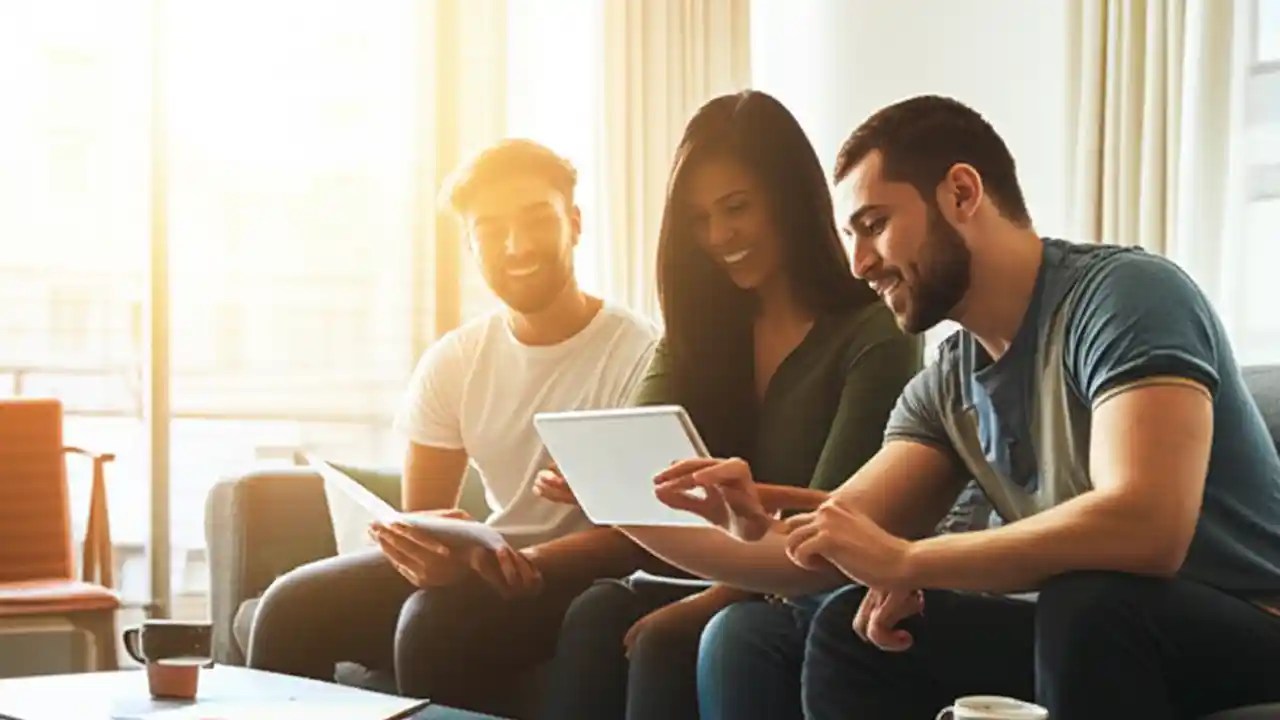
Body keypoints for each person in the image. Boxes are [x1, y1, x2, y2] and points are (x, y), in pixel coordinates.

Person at [637, 95, 1280, 720]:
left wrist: (913, 562)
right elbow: (823, 545)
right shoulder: (946, 384)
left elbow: (1145, 525)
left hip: (1248, 621)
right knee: (848, 631)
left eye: (875, 226)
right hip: (1093, 624)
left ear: (962, 194)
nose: (860, 264)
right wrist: (747, 528)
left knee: (1088, 603)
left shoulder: (1124, 296)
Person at [536, 90, 927, 720]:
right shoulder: (699, 331)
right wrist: (596, 478)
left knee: (675, 638)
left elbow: (829, 529)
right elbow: (636, 456)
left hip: (805, 583)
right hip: (703, 566)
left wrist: (704, 601)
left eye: (737, 208)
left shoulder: (873, 333)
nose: (719, 236)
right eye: (699, 220)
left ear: (790, 198)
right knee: (595, 612)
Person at [246, 139, 660, 717]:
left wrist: (531, 564)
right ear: (471, 245)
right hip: (491, 564)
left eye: (536, 221)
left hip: (586, 577)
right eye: (490, 231)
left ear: (574, 223)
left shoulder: (639, 354)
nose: (515, 247)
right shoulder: (456, 359)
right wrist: (431, 556)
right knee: (289, 607)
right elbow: (425, 519)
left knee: (435, 624)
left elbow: (641, 532)